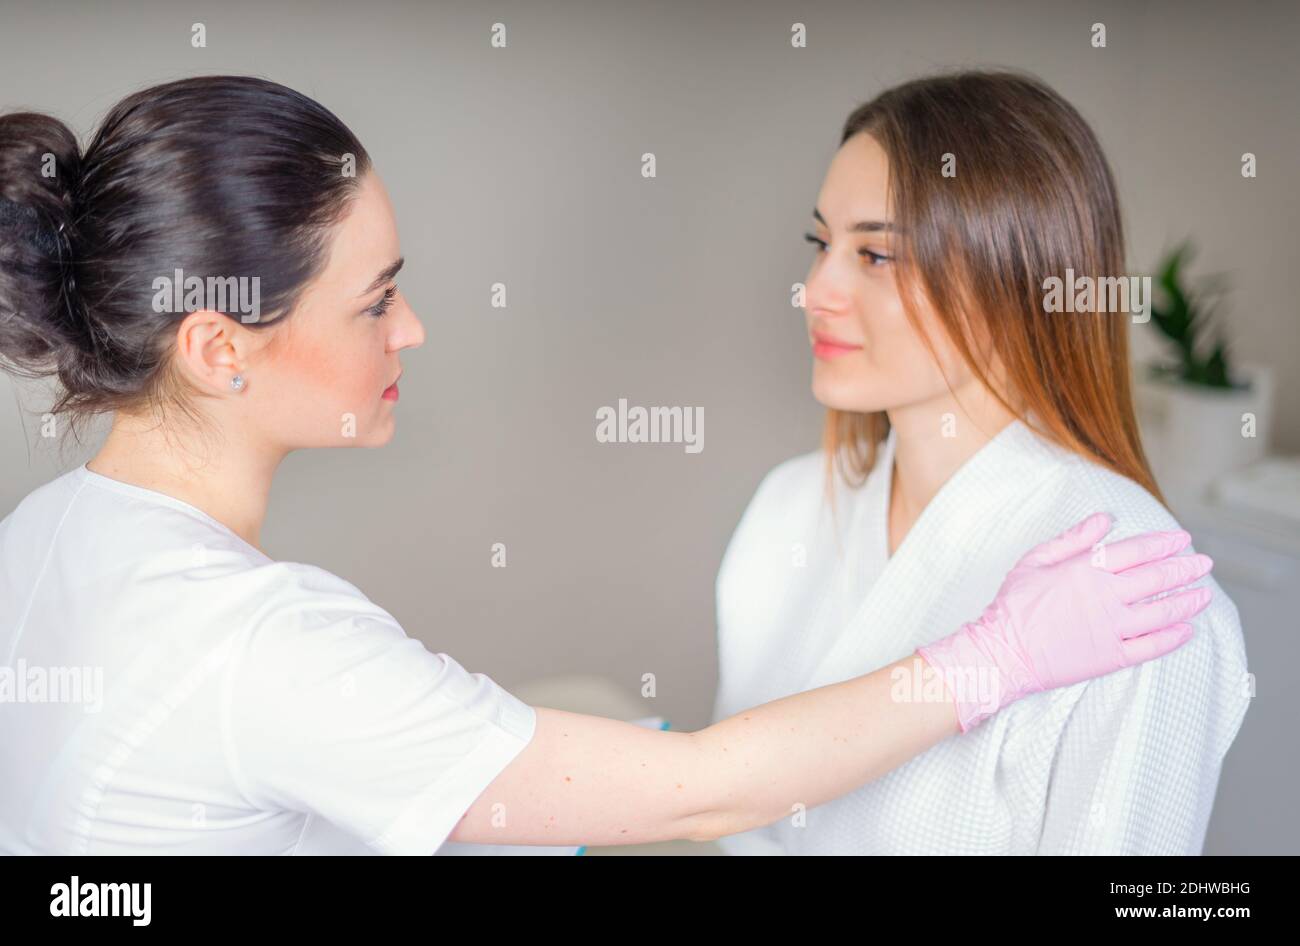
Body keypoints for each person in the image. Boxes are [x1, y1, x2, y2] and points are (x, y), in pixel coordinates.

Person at [0, 76, 1213, 855]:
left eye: (874, 253)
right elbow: (702, 790)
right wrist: (990, 657)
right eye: (377, 300)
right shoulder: (258, 642)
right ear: (218, 346)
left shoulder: (44, 531)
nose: (412, 328)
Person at [711, 71, 1251, 855]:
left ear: (1014, 282)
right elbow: (720, 805)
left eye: (877, 256)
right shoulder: (788, 509)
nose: (816, 290)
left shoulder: (1135, 596)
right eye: (821, 244)